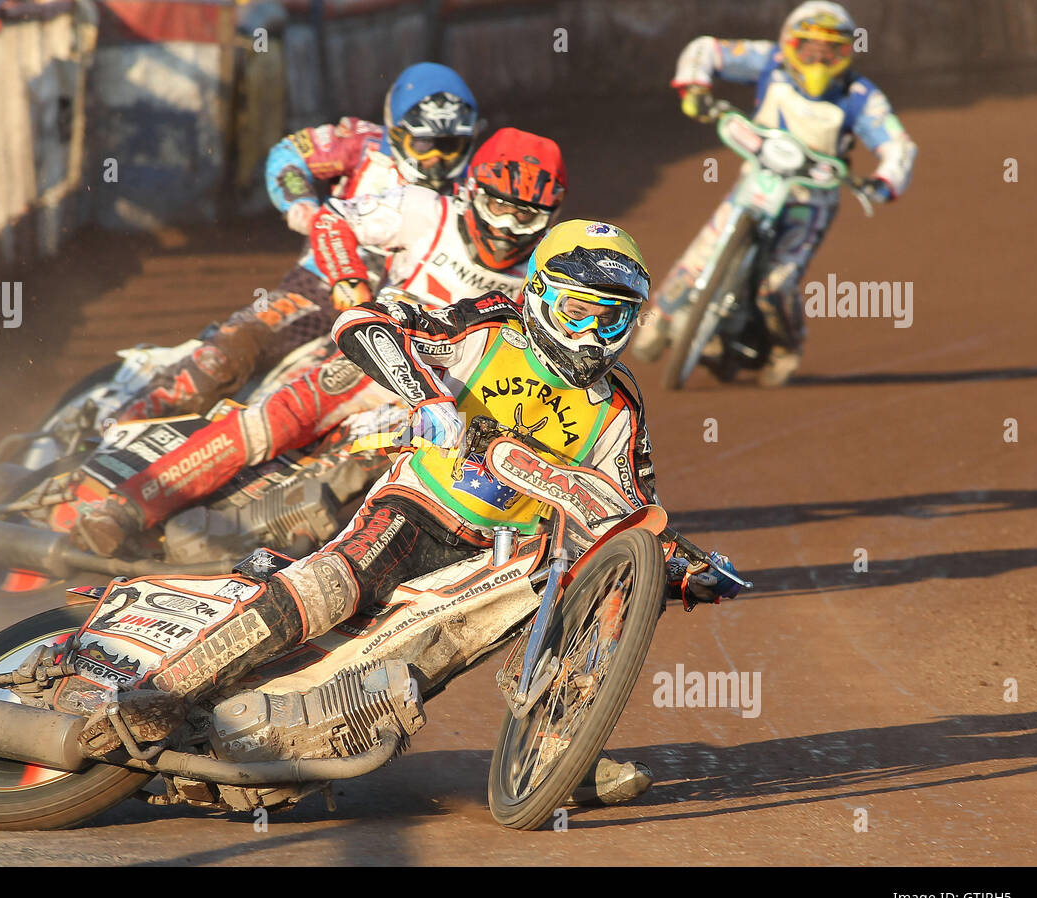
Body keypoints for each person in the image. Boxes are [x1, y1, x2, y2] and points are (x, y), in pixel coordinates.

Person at [136, 220, 745, 806]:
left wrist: (683, 572)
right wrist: (426, 394)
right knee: (337, 586)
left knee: (447, 656)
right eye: (576, 311)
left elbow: (631, 511)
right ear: (537, 295)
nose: (589, 334)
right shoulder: (491, 327)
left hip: (503, 555)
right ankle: (163, 690)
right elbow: (367, 322)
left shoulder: (620, 409)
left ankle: (564, 751)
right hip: (418, 505)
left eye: (608, 318)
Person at [71, 128, 568, 556]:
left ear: (549, 217)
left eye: (524, 216)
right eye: (497, 205)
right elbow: (333, 219)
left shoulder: (549, 269)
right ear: (470, 192)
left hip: (449, 399)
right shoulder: (423, 210)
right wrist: (349, 282)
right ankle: (127, 504)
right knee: (274, 413)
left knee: (383, 480)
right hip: (373, 354)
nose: (505, 226)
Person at [113, 62, 482, 424]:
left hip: (398, 313)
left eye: (449, 146)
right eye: (424, 143)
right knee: (228, 351)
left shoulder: (480, 188)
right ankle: (118, 425)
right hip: (318, 287)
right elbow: (289, 155)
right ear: (397, 131)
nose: (436, 158)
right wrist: (301, 206)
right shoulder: (362, 142)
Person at [631, 1, 917, 386]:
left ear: (847, 52)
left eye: (832, 49)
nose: (819, 57)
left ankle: (786, 347)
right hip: (758, 180)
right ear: (790, 44)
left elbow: (898, 144)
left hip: (812, 199)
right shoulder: (769, 60)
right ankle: (659, 320)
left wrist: (884, 181)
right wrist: (695, 87)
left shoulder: (859, 94)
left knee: (777, 284)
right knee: (703, 252)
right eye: (810, 47)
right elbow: (707, 50)